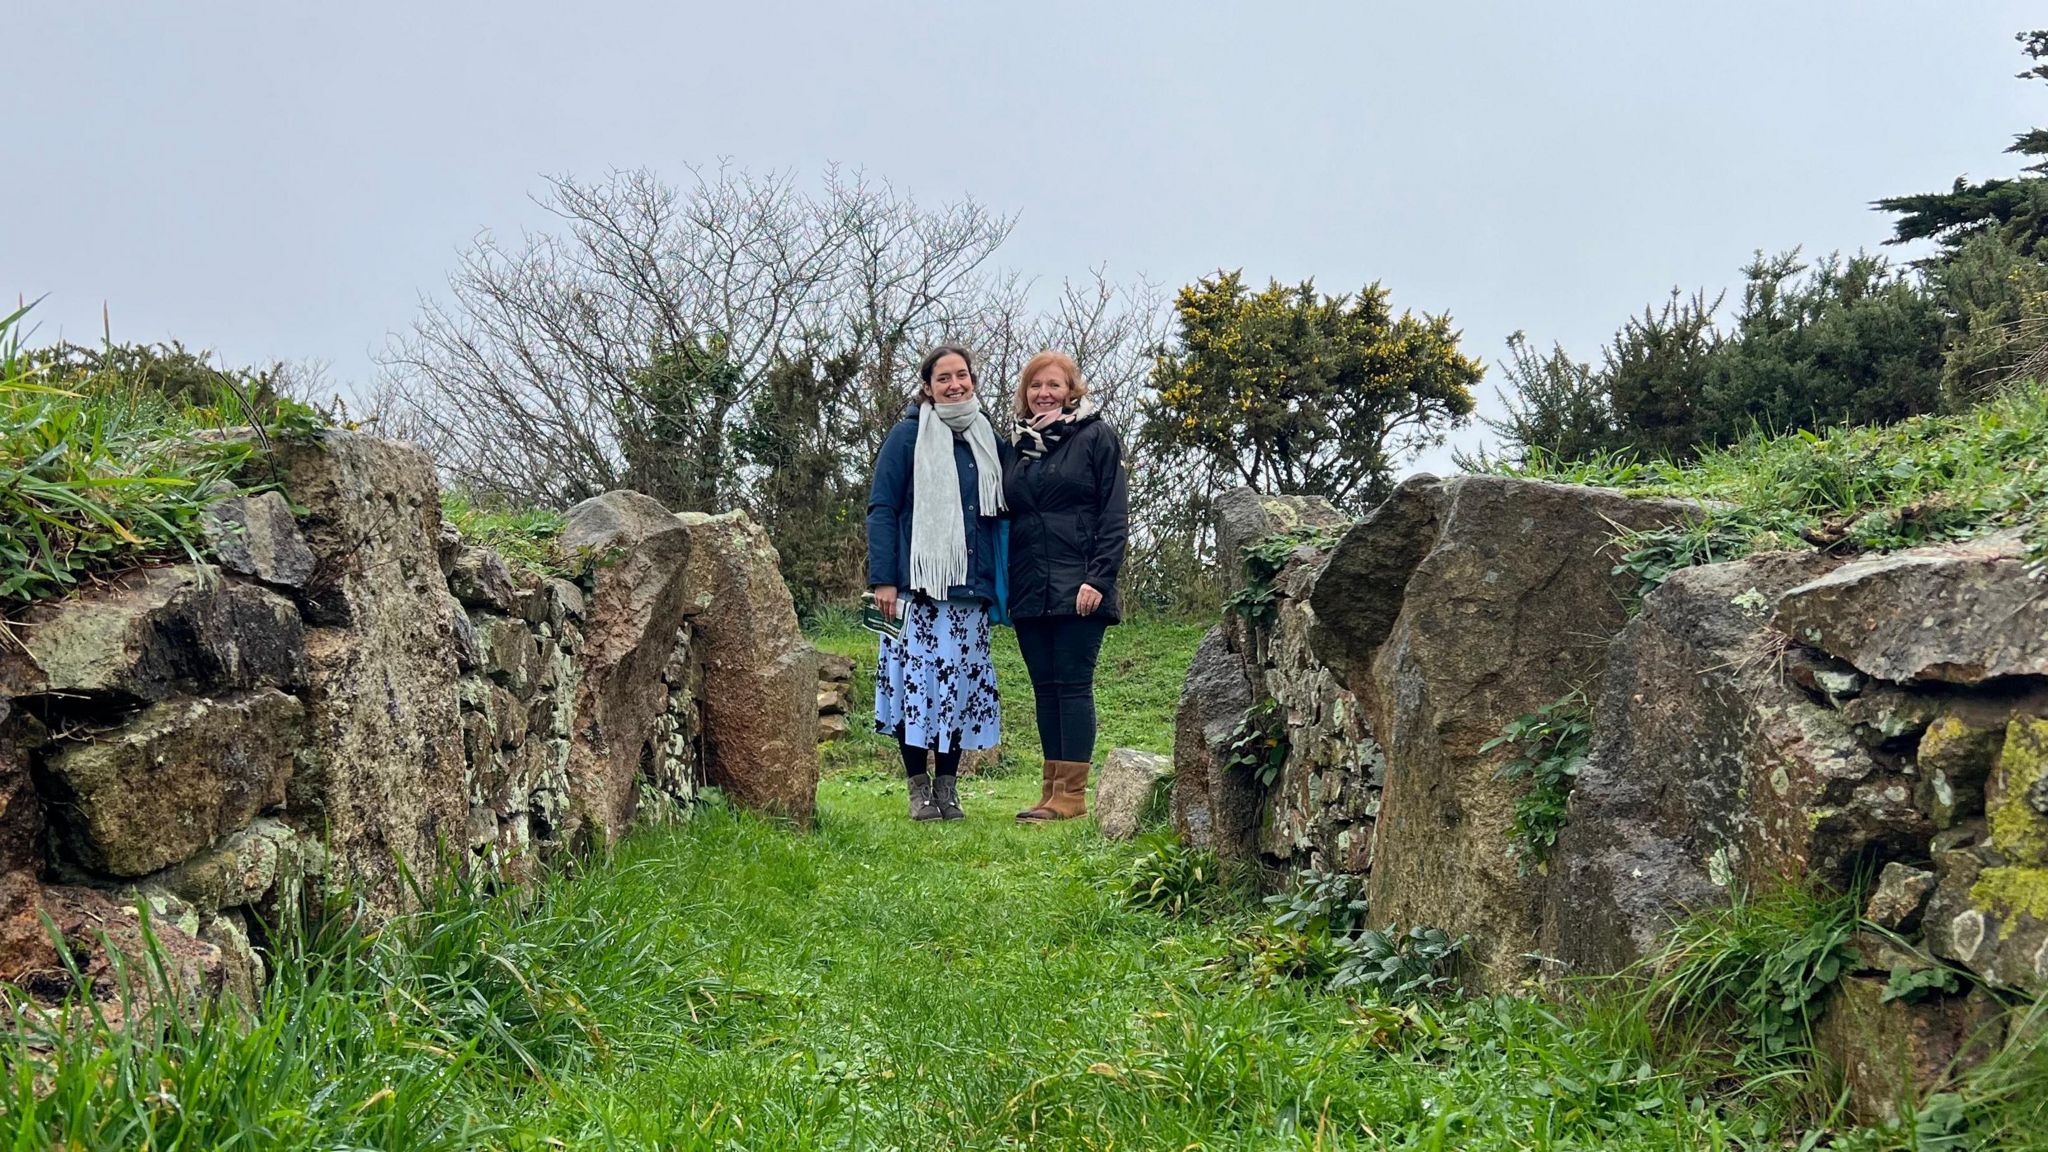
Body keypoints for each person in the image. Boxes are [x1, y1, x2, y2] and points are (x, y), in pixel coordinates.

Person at [866, 345, 1009, 822]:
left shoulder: (985, 438)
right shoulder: (907, 437)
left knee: (958, 691)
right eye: (943, 378)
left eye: (962, 375)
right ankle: (917, 790)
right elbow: (882, 509)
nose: (955, 385)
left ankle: (948, 790)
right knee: (916, 687)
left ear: (973, 380)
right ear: (927, 386)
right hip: (916, 590)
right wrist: (883, 580)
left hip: (969, 592)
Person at [1003, 351, 1129, 823]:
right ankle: (1049, 790)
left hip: (1080, 584)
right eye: (1035, 386)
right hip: (1030, 585)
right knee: (1044, 689)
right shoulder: (1019, 447)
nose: (1044, 393)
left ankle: (1072, 797)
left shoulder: (1096, 435)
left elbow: (1114, 515)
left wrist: (1098, 578)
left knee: (1073, 686)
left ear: (1072, 389)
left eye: (1053, 385)